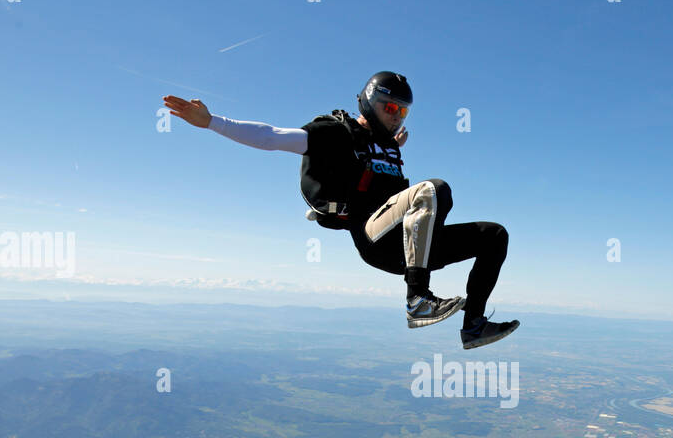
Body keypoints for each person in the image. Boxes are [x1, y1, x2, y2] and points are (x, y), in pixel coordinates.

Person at [163, 72, 519, 349]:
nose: (396, 116)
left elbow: (387, 183)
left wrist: (386, 145)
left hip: (410, 247)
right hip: (374, 239)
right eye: (389, 107)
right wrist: (212, 122)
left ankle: (473, 326)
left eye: (403, 110)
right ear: (369, 101)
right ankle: (417, 300)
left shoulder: (387, 147)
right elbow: (271, 137)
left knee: (494, 235)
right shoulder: (335, 134)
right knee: (434, 189)